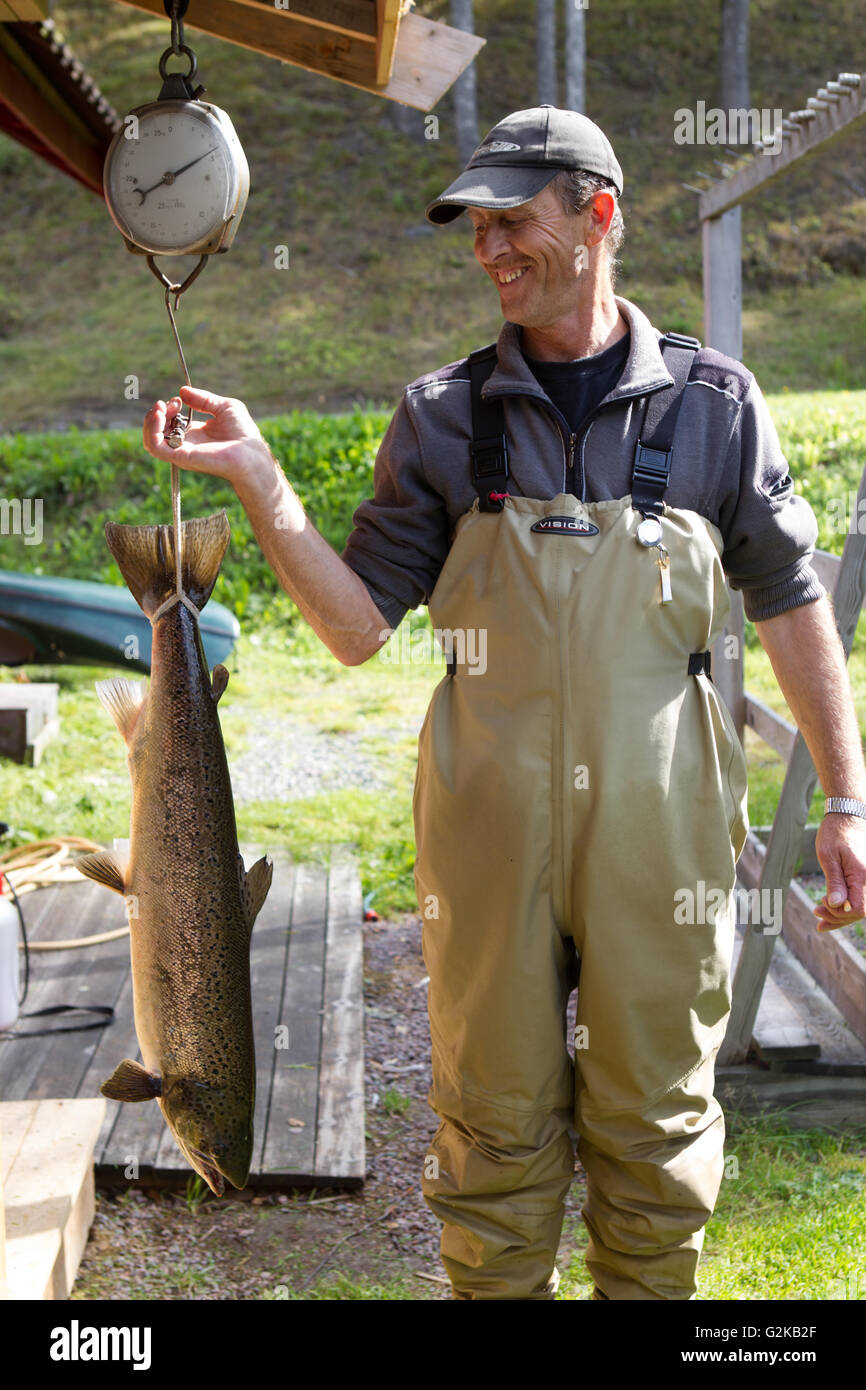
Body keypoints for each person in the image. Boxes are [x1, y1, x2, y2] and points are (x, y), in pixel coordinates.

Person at [142, 105, 866, 1301]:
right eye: (475, 230)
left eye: (511, 222)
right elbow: (355, 629)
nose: (488, 251)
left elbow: (791, 600)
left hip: (662, 841)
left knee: (656, 1137)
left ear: (599, 216)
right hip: (485, 847)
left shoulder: (712, 407)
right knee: (489, 1138)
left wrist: (845, 797)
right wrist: (264, 483)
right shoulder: (442, 416)